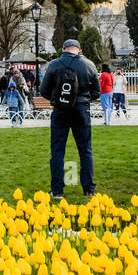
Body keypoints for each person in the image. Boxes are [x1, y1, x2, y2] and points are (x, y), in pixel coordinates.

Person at [40, 39, 101, 199]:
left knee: (57, 150)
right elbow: (96, 92)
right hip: (81, 109)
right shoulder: (89, 65)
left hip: (61, 109)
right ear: (79, 50)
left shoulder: (54, 64)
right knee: (85, 150)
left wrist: (58, 97)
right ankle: (89, 189)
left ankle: (57, 190)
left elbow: (44, 90)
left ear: (63, 49)